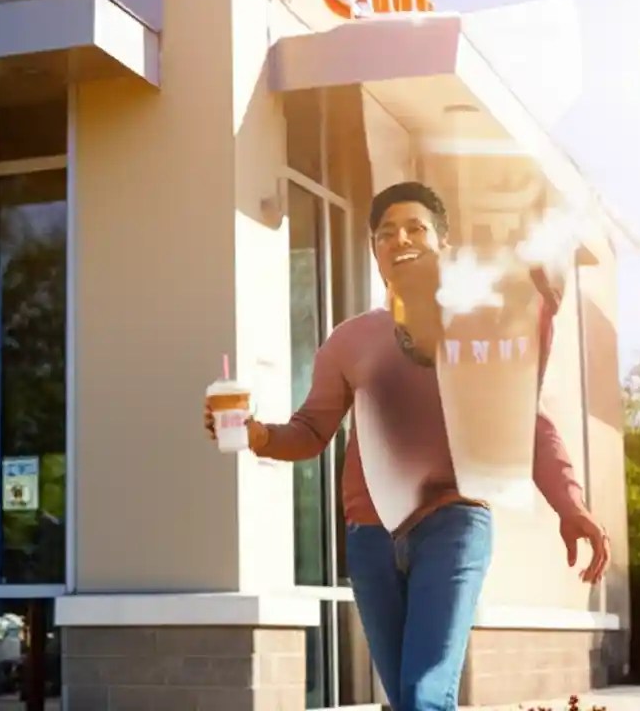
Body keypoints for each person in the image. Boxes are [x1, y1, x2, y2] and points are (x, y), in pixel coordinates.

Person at [203, 182, 611, 711]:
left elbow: (526, 421)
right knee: (405, 700)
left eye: (416, 228)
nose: (401, 239)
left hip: (455, 523)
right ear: (376, 252)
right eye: (386, 233)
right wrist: (254, 434)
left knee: (424, 696)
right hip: (370, 536)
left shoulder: (480, 324)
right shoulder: (348, 340)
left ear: (443, 241)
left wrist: (570, 503)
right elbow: (310, 432)